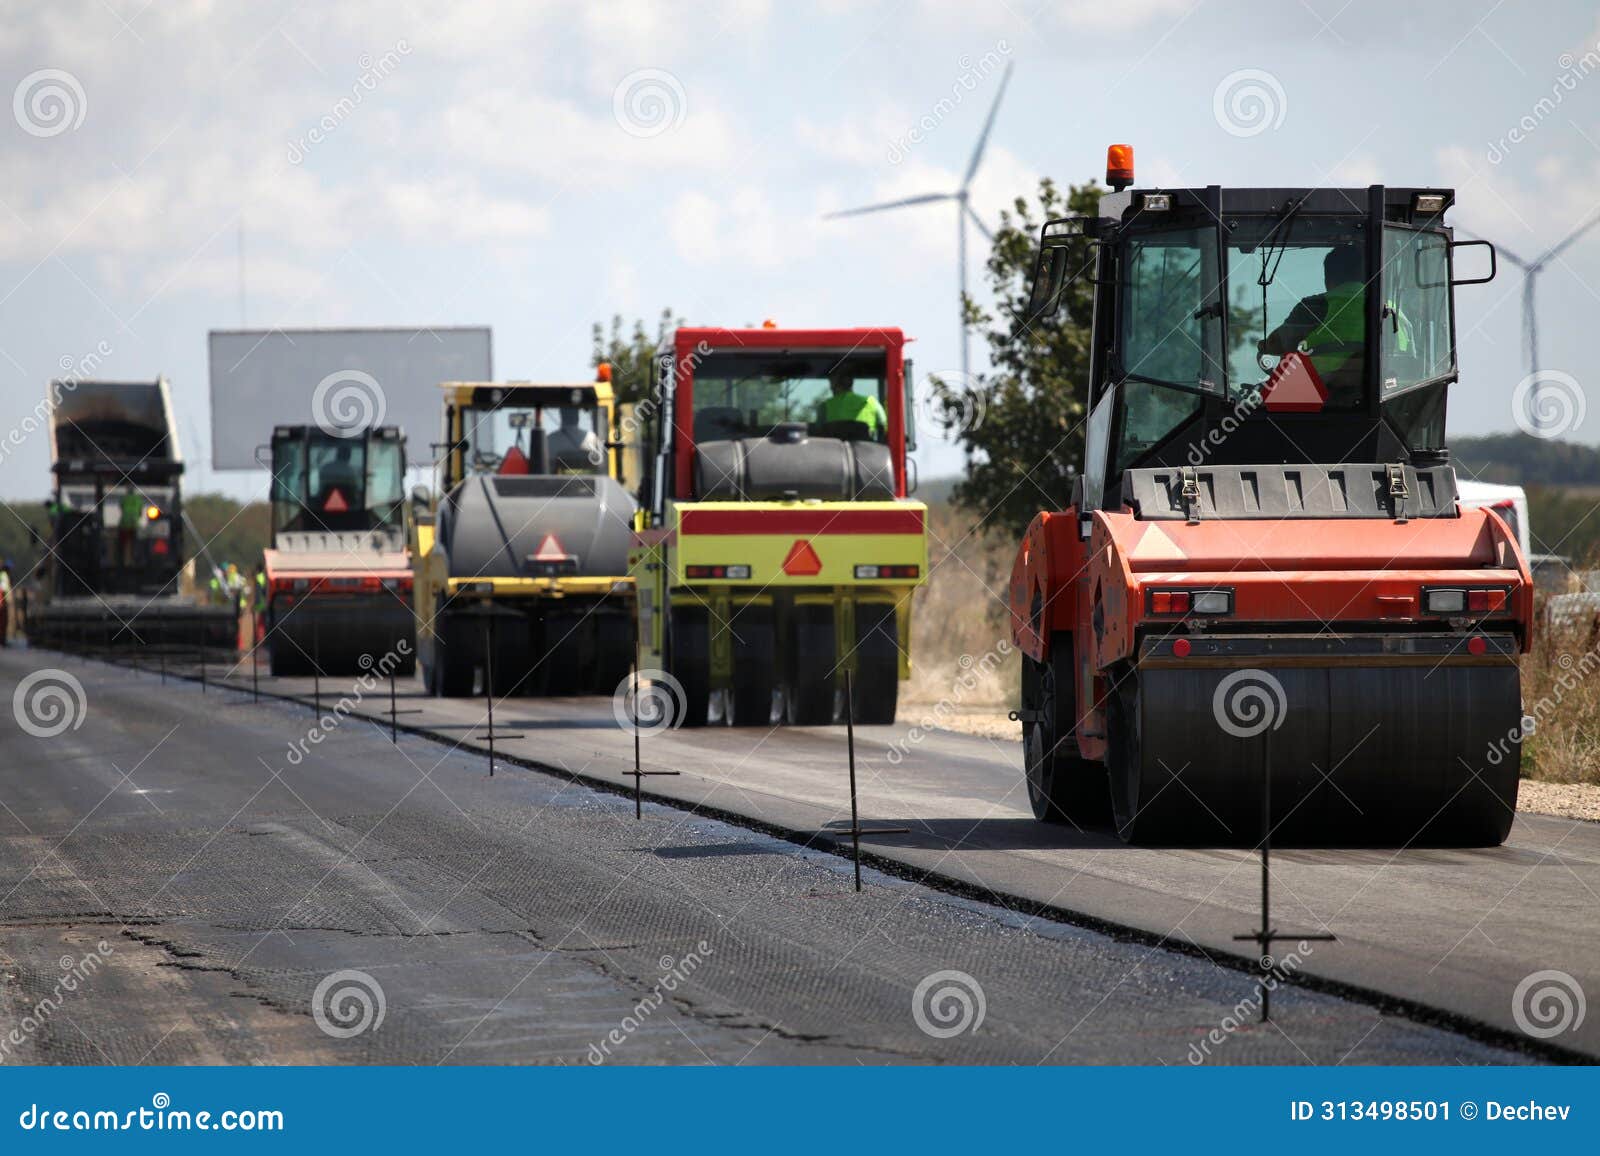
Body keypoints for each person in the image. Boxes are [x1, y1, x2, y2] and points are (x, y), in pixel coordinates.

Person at [817, 369, 887, 439]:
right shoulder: (871, 402)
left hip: (832, 449)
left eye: (831, 383)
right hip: (867, 448)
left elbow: (818, 431)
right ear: (851, 383)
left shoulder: (825, 406)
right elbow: (884, 426)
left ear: (834, 385)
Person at [118, 487, 143, 568]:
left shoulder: (124, 498)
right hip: (135, 524)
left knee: (123, 544)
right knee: (135, 543)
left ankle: (123, 561)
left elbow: (121, 508)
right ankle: (134, 559)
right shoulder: (138, 499)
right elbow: (140, 511)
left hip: (124, 524)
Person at [0, 559, 12, 647]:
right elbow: (3, 590)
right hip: (2, 603)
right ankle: (2, 641)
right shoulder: (4, 576)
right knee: (3, 623)